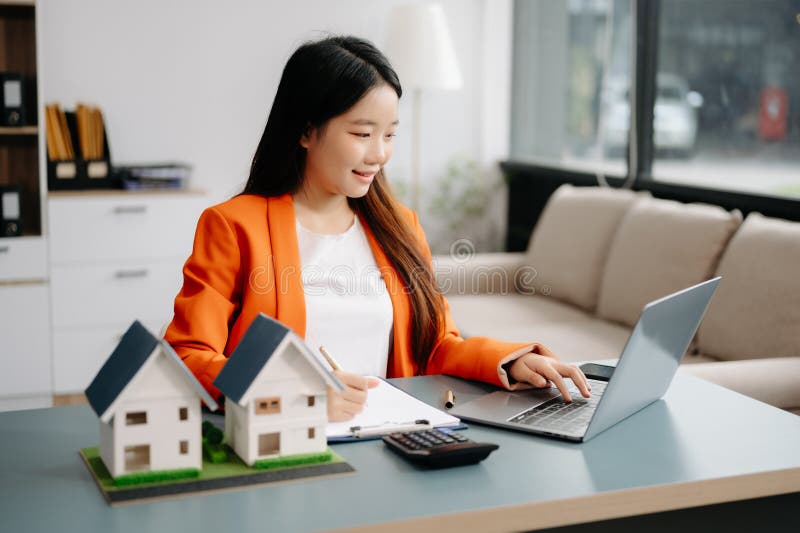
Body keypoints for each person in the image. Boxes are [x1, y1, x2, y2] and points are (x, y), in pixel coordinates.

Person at [164, 35, 590, 422]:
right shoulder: (234, 226)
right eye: (363, 133)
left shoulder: (400, 226)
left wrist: (510, 362)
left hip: (394, 437)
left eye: (389, 135)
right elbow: (190, 355)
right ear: (306, 131)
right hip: (293, 442)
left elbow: (435, 345)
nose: (380, 153)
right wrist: (296, 397)